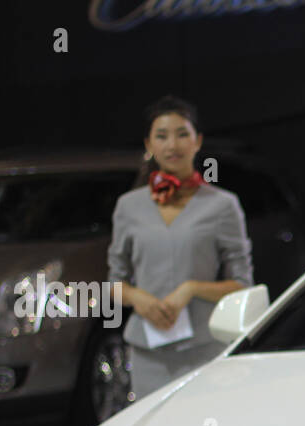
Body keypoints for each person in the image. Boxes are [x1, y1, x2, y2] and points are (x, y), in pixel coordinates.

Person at [107, 95, 254, 400]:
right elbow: (113, 283)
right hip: (147, 351)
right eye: (161, 136)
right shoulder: (128, 206)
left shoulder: (222, 205)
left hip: (203, 349)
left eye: (182, 134)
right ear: (149, 144)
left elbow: (242, 284)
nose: (172, 145)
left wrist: (192, 288)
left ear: (197, 141)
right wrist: (137, 297)